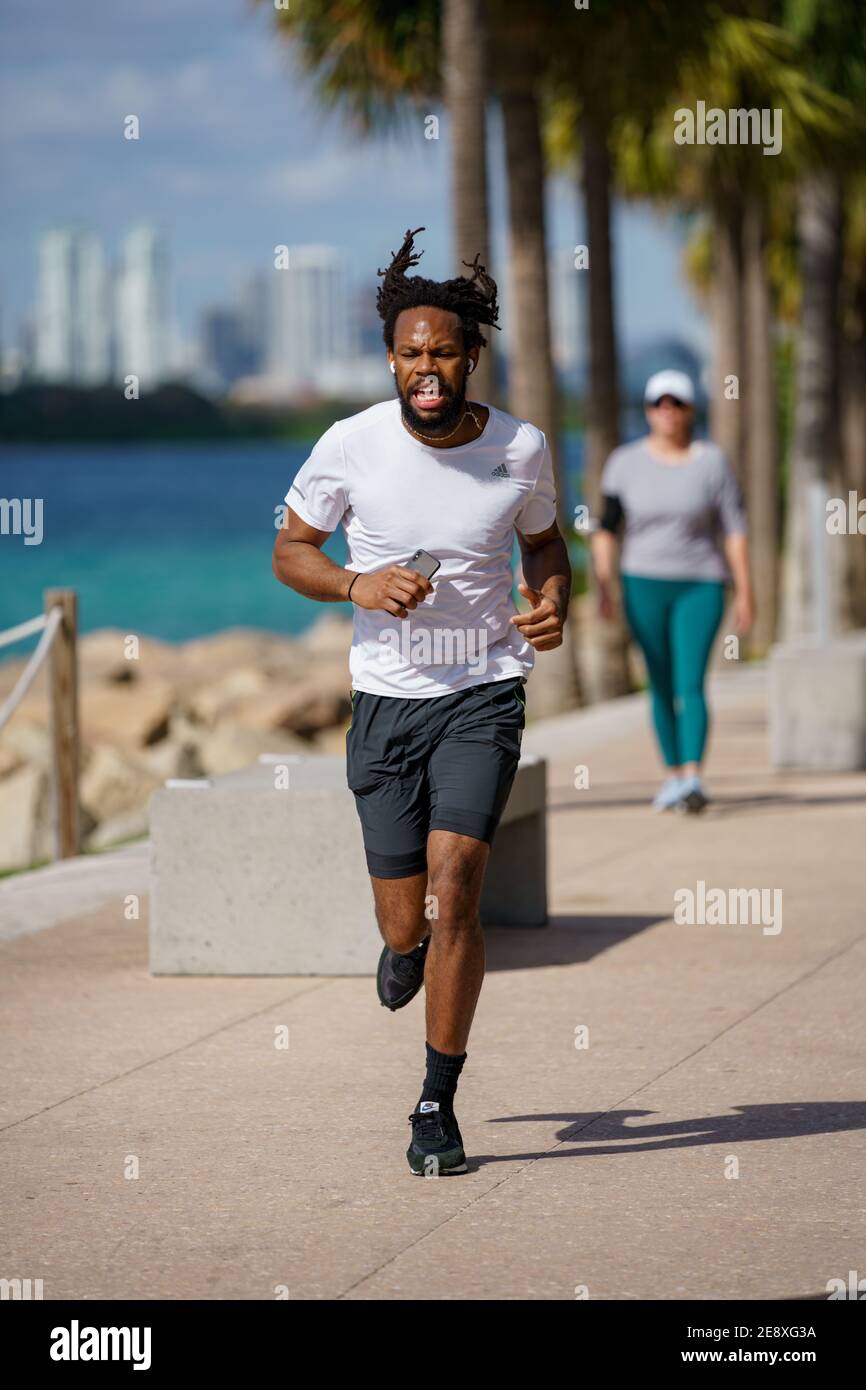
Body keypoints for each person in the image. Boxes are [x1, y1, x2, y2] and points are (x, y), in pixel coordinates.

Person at [272, 227, 571, 1175]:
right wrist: (356, 584)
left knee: (458, 886)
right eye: (410, 354)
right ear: (392, 360)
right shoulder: (350, 444)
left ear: (470, 356)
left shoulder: (521, 448)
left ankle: (436, 1101)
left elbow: (545, 545)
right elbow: (291, 550)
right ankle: (402, 949)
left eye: (442, 352)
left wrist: (554, 601)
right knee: (406, 921)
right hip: (387, 703)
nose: (425, 369)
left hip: (483, 692)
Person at [590, 369, 754, 813]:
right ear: (647, 410)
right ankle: (673, 776)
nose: (668, 411)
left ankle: (694, 777)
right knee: (659, 682)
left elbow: (735, 529)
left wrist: (745, 590)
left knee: (691, 681)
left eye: (676, 403)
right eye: (659, 403)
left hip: (701, 584)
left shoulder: (711, 462)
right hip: (642, 583)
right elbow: (606, 528)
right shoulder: (624, 463)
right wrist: (603, 585)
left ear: (690, 410)